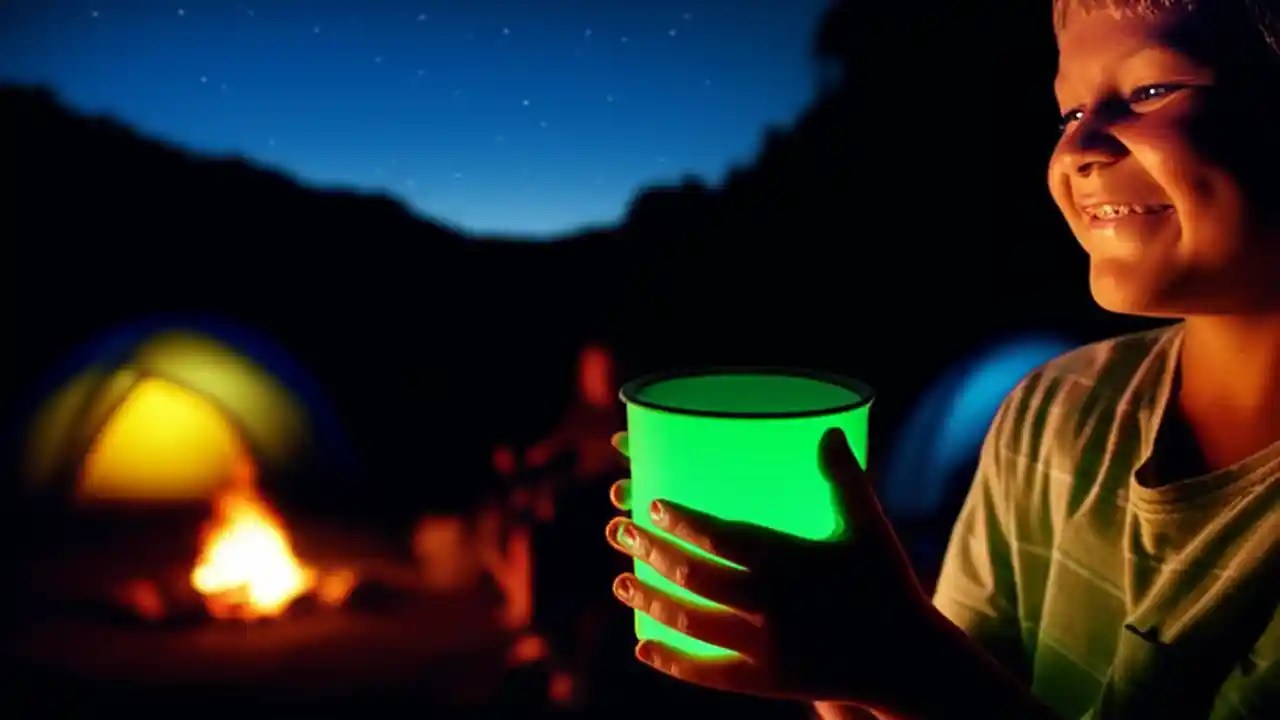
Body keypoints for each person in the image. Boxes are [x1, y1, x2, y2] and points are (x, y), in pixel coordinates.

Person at [602, 1, 1280, 718]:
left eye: (1150, 91)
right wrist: (846, 665)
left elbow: (923, 683)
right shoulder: (1055, 412)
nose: (1078, 147)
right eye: (1067, 112)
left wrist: (902, 665)